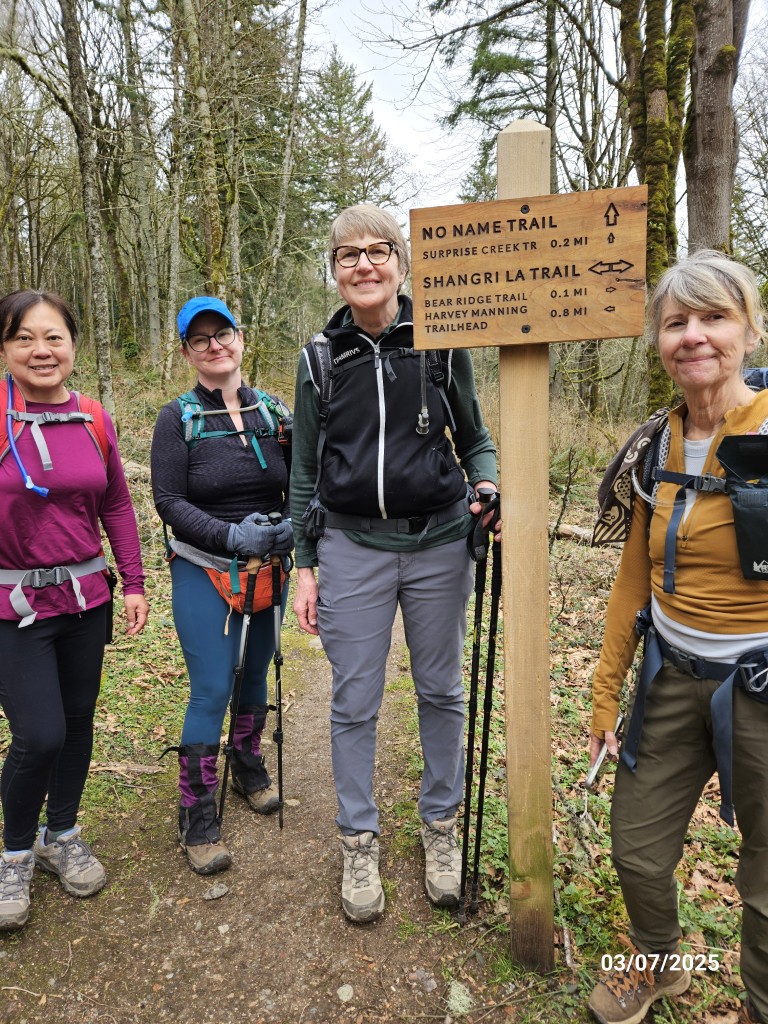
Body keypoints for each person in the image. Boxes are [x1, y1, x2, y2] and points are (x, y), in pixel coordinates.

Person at [290, 204, 499, 923]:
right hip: (352, 545)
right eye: (348, 255)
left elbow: (474, 438)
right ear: (336, 269)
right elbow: (304, 471)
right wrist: (305, 563)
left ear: (402, 264)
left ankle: (441, 826)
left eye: (378, 251)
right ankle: (358, 837)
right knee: (353, 698)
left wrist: (489, 482)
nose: (364, 265)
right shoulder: (319, 357)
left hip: (441, 542)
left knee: (441, 690)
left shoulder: (442, 340)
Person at [588, 251, 768, 1024]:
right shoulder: (654, 444)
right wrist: (604, 690)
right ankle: (663, 965)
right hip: (669, 678)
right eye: (676, 321)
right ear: (657, 339)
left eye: (715, 317)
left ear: (750, 332)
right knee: (635, 849)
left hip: (760, 689)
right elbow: (633, 575)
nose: (694, 336)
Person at [0, 289, 149, 931]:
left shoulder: (94, 418)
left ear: (72, 346)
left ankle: (62, 832)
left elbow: (116, 503)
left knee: (78, 719)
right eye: (25, 337)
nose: (41, 350)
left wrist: (136, 581)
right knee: (40, 734)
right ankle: (14, 852)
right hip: (14, 609)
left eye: (54, 336)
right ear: (5, 348)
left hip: (87, 600)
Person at [151, 296, 293, 876]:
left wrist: (290, 528)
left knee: (256, 670)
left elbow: (303, 479)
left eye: (223, 333)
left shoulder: (277, 412)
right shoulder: (176, 417)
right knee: (212, 684)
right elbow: (169, 502)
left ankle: (248, 764)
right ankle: (196, 810)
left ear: (241, 338)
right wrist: (232, 536)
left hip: (268, 567)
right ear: (187, 351)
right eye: (201, 339)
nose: (215, 345)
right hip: (202, 564)